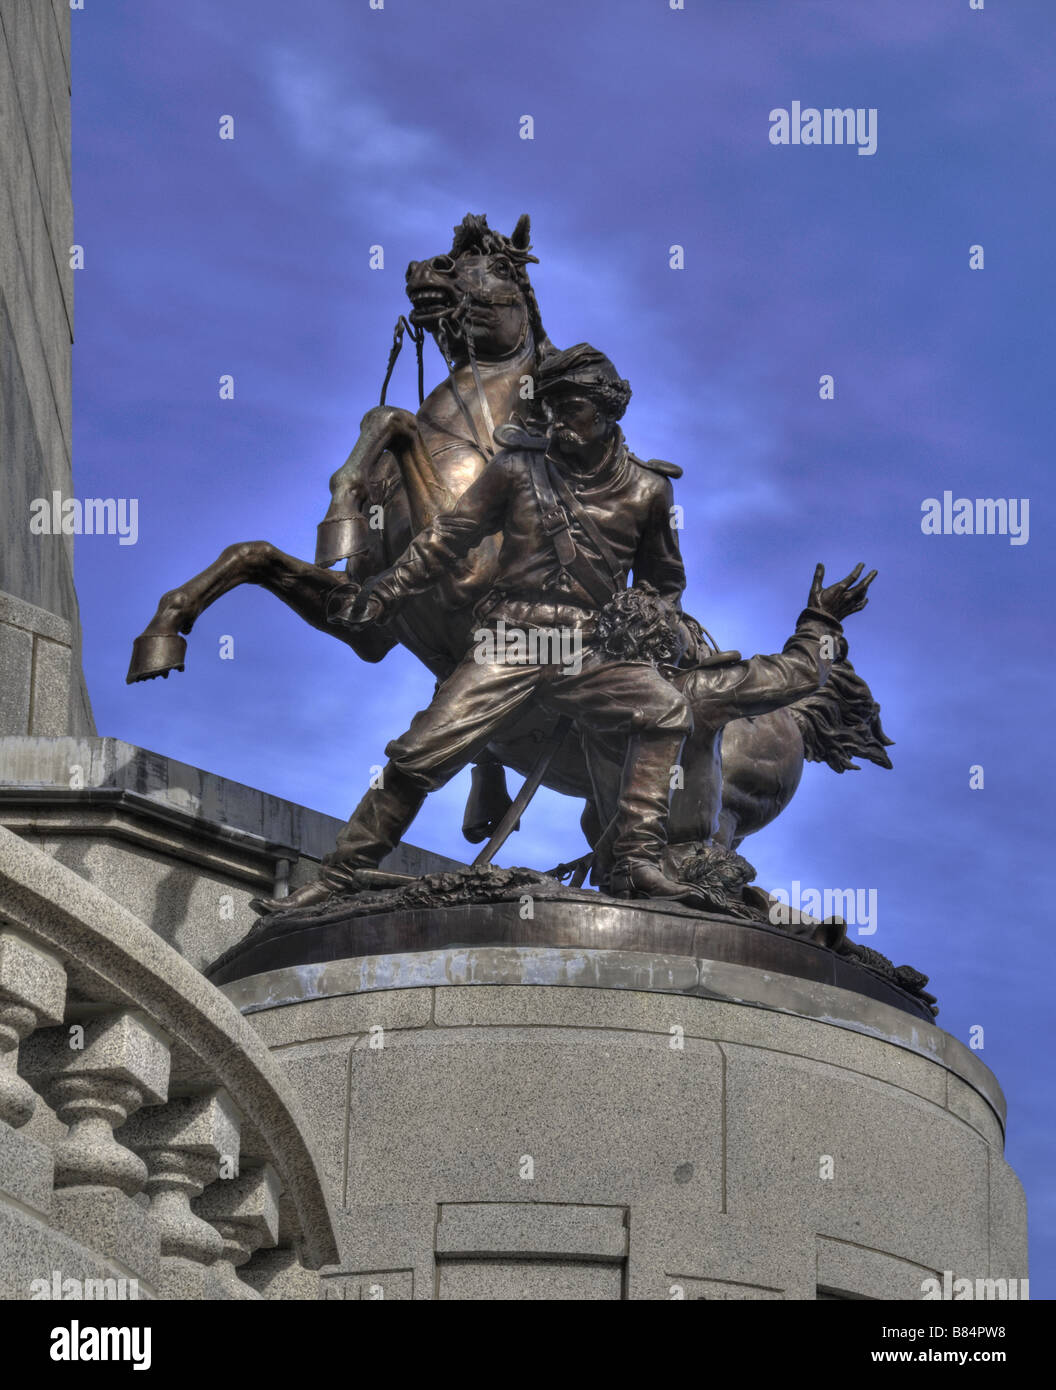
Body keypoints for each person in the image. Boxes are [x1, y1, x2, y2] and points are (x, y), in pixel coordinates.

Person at [255, 343, 715, 913]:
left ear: (605, 410)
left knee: (666, 709)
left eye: (569, 408)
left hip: (585, 645)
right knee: (419, 752)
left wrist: (651, 613)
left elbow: (665, 581)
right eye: (546, 407)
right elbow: (447, 539)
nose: (554, 421)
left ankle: (636, 861)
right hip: (512, 637)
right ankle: (341, 874)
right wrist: (387, 592)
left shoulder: (650, 490)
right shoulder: (516, 468)